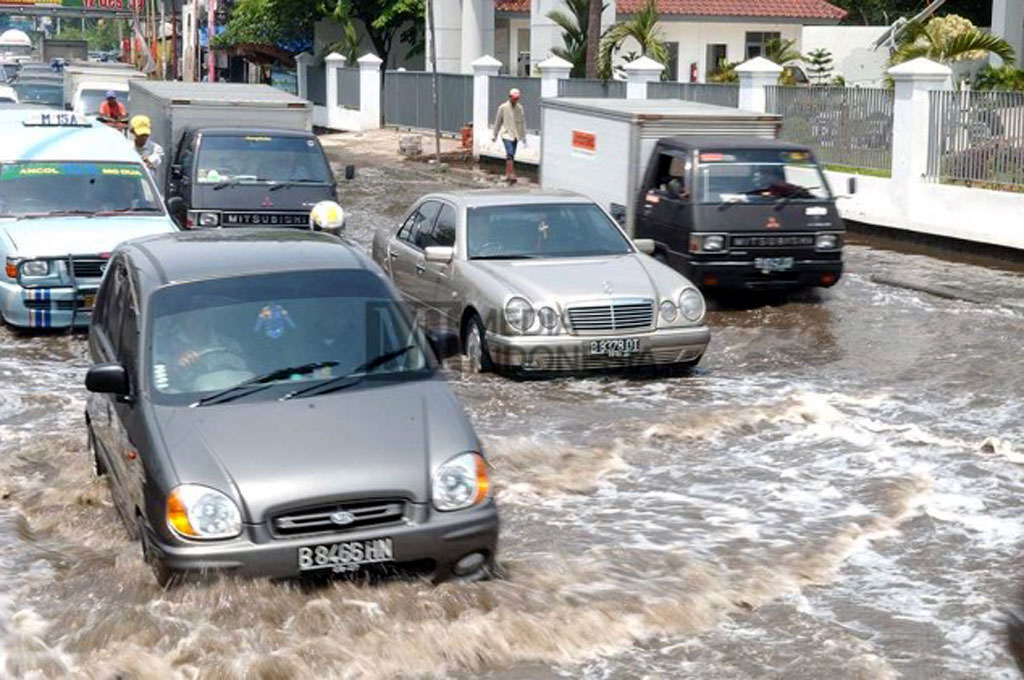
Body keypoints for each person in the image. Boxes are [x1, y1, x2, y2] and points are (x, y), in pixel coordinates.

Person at [491, 88, 527, 183]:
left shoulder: (520, 108)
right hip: (506, 134)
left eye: (517, 98)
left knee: (512, 154)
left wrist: (523, 136)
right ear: (510, 97)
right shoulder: (503, 107)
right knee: (510, 153)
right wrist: (494, 135)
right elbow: (498, 122)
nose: (515, 100)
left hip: (515, 135)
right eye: (514, 98)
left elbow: (522, 123)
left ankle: (508, 173)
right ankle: (510, 174)